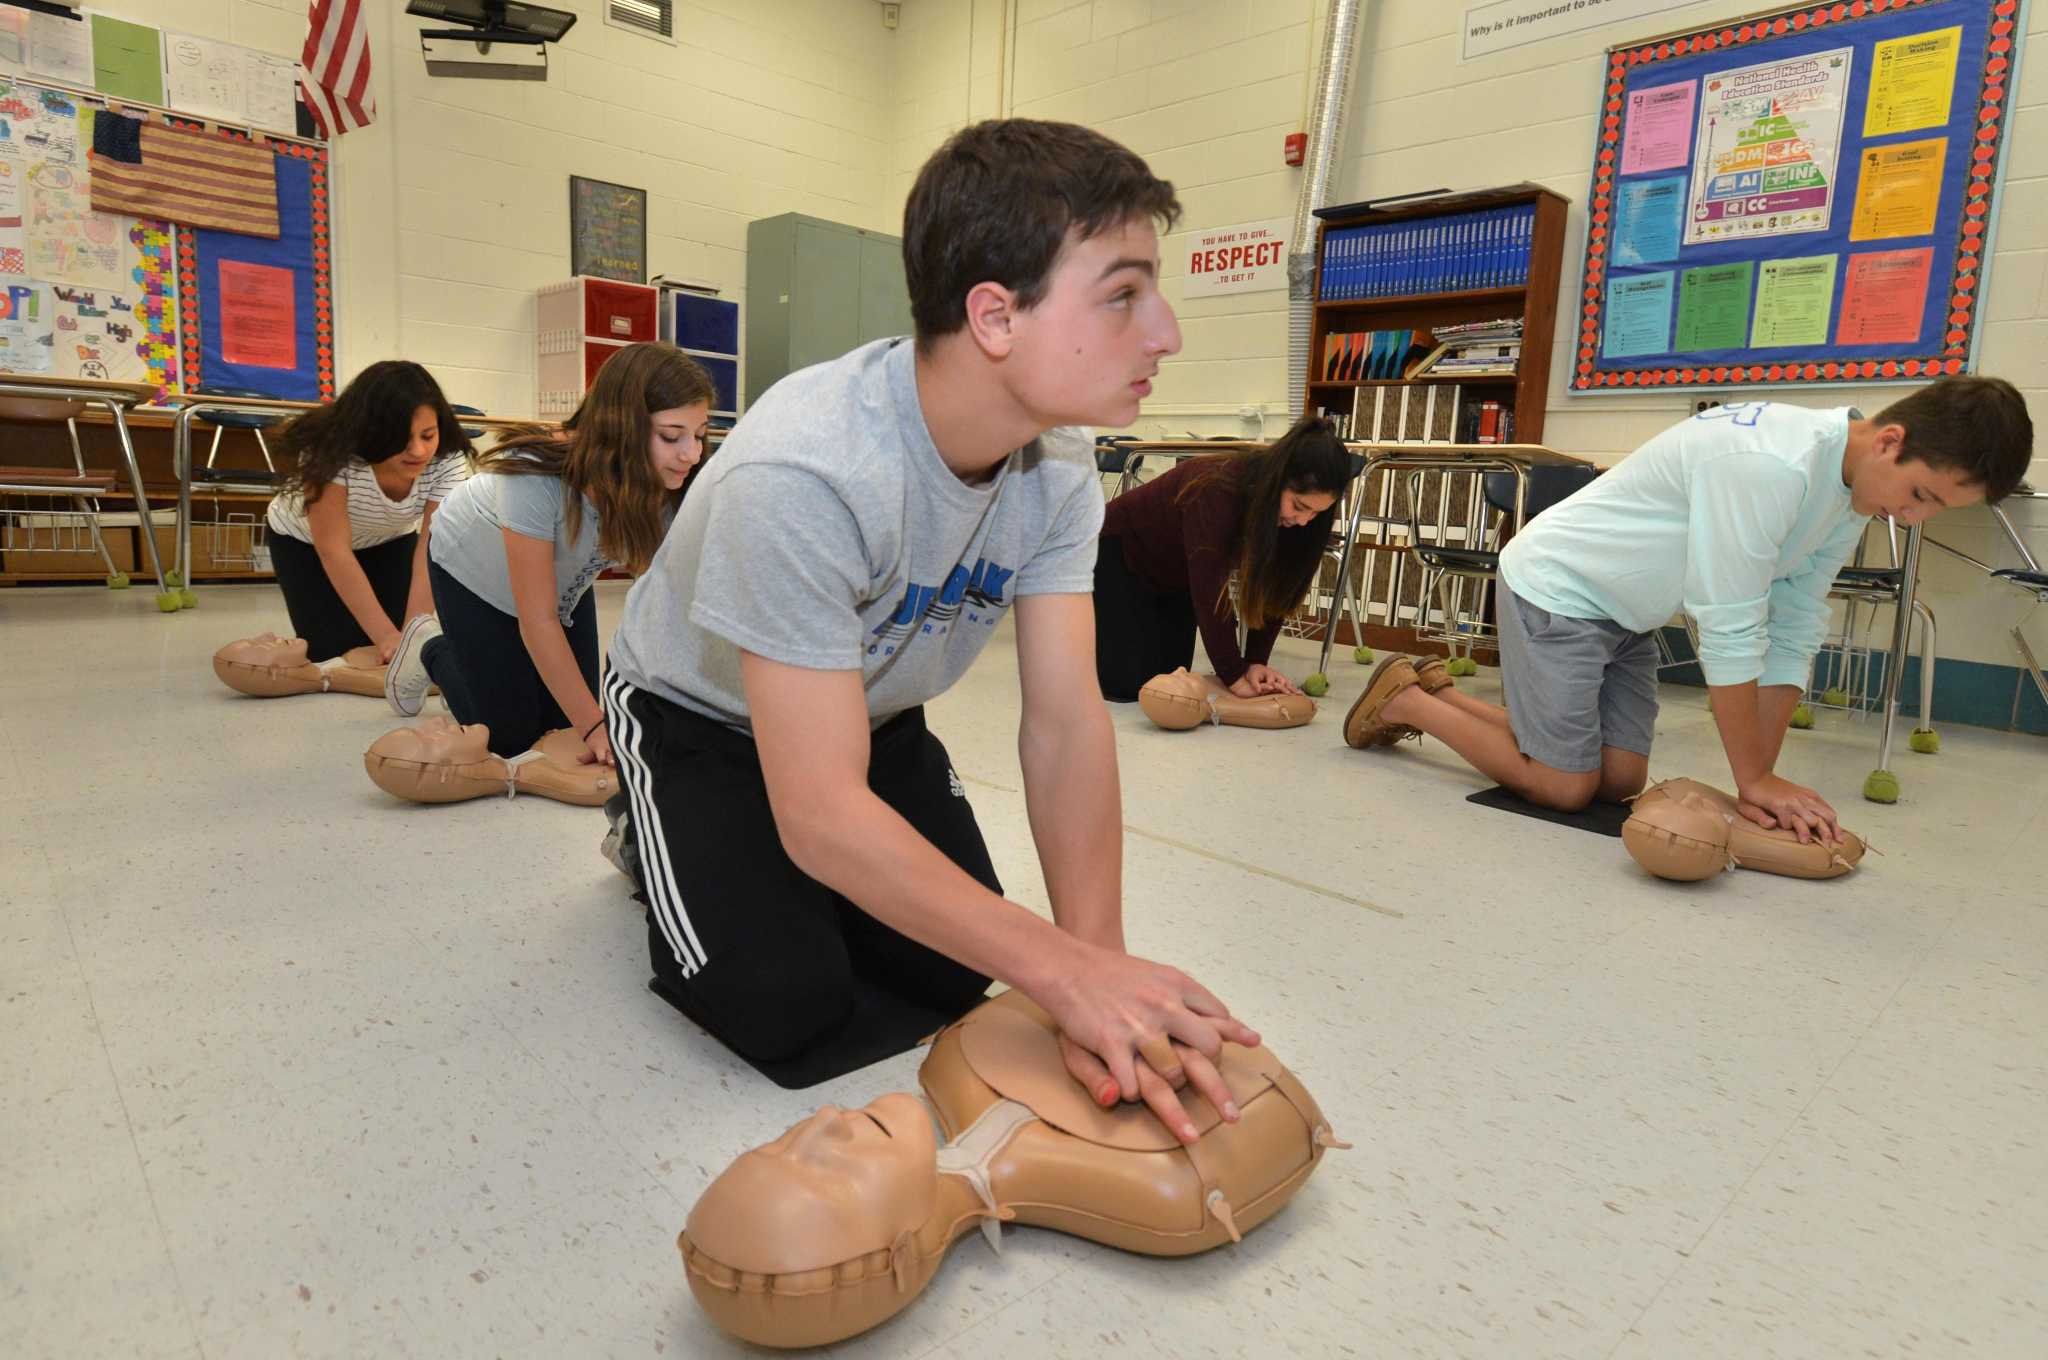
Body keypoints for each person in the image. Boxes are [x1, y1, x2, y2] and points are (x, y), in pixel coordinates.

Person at [601, 118, 1256, 1142]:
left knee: (961, 969)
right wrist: (1054, 968)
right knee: (782, 1001)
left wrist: (1096, 969)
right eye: (1123, 293)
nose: (1164, 331)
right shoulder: (804, 473)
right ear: (994, 316)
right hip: (700, 718)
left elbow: (1063, 724)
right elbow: (817, 810)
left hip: (872, 712)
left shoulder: (1060, 463)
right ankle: (649, 838)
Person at [1342, 378, 2035, 845]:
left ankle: (1428, 688)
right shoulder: (1772, 464)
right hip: (1559, 588)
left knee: (1619, 781)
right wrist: (1754, 780)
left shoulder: (1850, 491)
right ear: (1890, 440)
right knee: (1564, 786)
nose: (1913, 519)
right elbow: (1729, 627)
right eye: (1922, 497)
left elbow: (1794, 624)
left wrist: (1759, 781)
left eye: (1934, 511)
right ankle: (1409, 703)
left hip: (1628, 614)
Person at [382, 343, 714, 762]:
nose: (693, 453)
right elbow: (536, 619)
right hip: (470, 567)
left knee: (560, 724)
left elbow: (668, 601)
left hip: (561, 581)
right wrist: (595, 725)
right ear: (620, 427)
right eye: (671, 435)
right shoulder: (536, 473)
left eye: (700, 434)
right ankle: (430, 645)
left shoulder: (671, 480)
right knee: (510, 737)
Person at [1095, 416, 1354, 701]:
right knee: (1127, 687)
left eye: (1316, 513)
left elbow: (1278, 587)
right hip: (1118, 555)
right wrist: (1232, 673)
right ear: (1277, 480)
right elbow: (1209, 590)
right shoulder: (1216, 486)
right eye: (1299, 506)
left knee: (1167, 679)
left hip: (1175, 575)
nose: (1304, 520)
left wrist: (1255, 663)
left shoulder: (1296, 519)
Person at [263, 361, 474, 662]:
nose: (417, 451)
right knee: (334, 651)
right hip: (304, 544)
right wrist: (386, 636)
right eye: (401, 440)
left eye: (427, 436)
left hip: (388, 541)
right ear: (372, 432)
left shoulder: (448, 457)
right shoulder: (331, 449)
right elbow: (333, 549)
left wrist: (412, 637)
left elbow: (431, 549)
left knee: (400, 643)